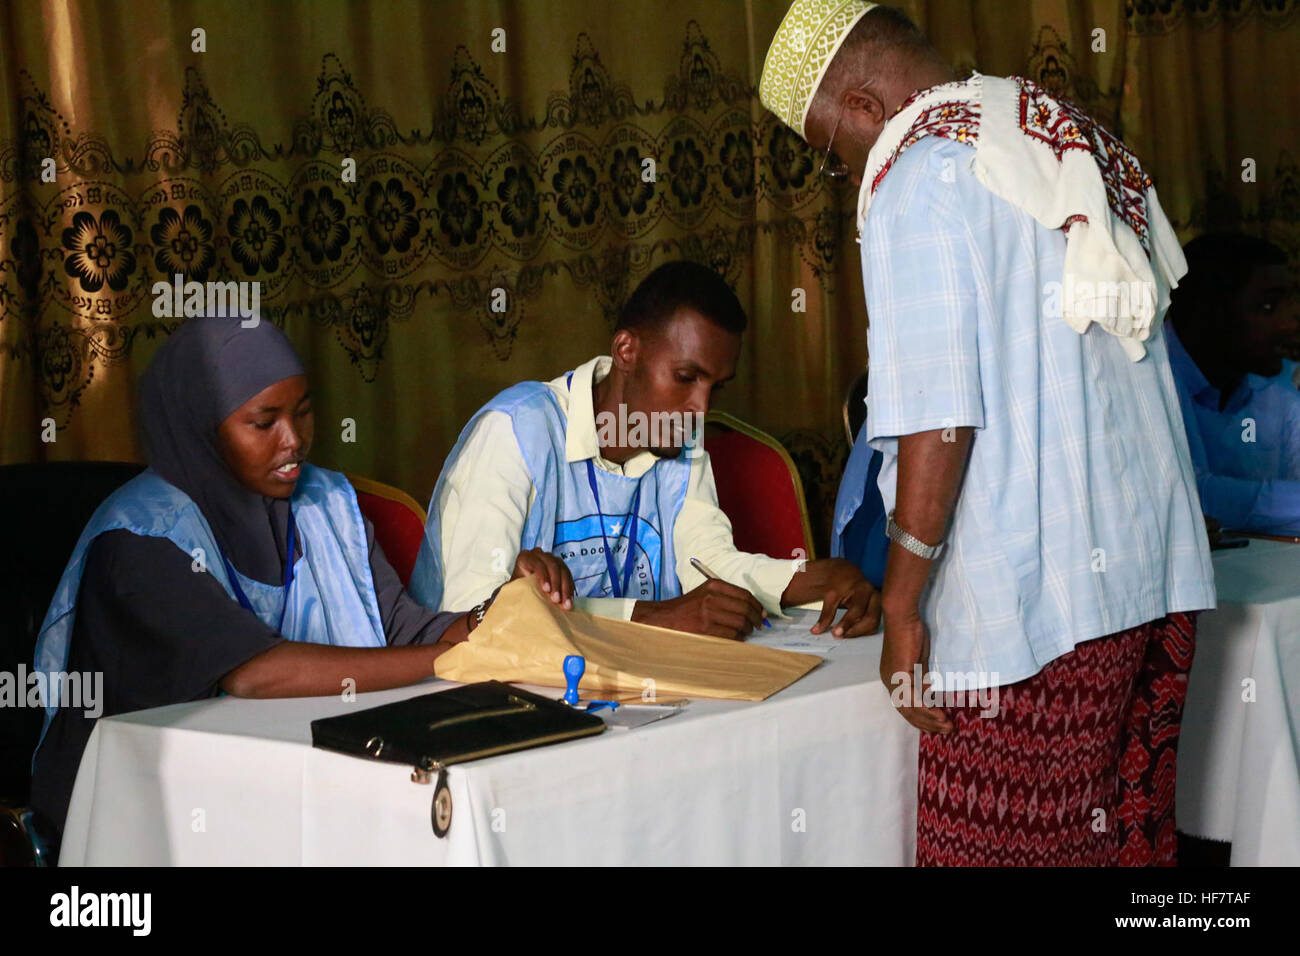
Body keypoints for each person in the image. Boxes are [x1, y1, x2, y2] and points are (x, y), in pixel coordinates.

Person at [760, 0, 1216, 865]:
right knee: (1132, 860)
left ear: (862, 107)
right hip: (1152, 585)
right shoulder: (1054, 134)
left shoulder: (921, 176)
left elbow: (941, 415)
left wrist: (901, 606)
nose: (843, 169)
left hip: (1031, 621)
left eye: (831, 152)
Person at [29, 316, 573, 841]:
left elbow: (408, 630)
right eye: (264, 423)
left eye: (304, 412)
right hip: (158, 813)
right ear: (200, 426)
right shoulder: (143, 538)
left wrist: (498, 610)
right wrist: (450, 659)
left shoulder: (328, 505)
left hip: (294, 781)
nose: (293, 441)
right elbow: (254, 676)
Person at [410, 260, 882, 640]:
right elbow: (469, 618)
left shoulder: (679, 436)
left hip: (624, 690)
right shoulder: (515, 432)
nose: (699, 409)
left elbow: (707, 564)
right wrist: (658, 617)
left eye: (715, 387)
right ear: (626, 351)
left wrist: (821, 579)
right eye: (685, 377)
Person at [1164, 233, 1300, 535]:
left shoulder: (1280, 383)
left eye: (1291, 302)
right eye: (1267, 307)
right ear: (1209, 314)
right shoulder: (1151, 381)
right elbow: (1194, 495)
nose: (1291, 323)